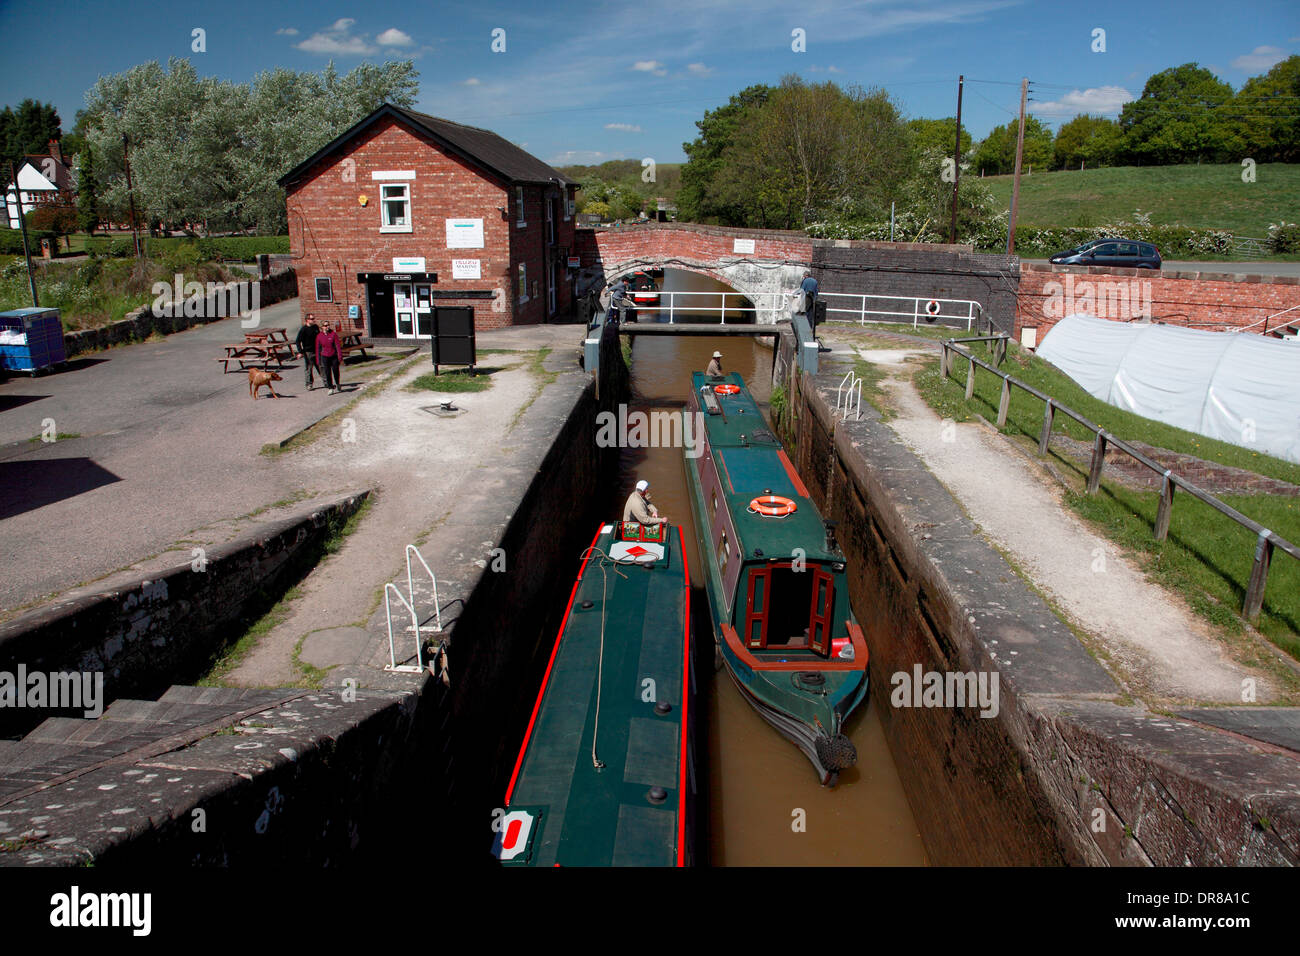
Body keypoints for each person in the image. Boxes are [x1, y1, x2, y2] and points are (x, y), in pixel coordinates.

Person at [315, 321, 343, 394]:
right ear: (322, 327)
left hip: (333, 355)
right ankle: (330, 387)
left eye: (328, 325)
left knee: (336, 370)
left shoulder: (333, 334)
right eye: (325, 325)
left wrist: (339, 356)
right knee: (327, 372)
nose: (327, 327)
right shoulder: (319, 336)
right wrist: (318, 360)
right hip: (325, 356)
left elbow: (337, 346)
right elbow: (318, 349)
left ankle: (338, 383)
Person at [295, 313, 320, 390]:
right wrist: (300, 352)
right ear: (307, 320)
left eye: (314, 318)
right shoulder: (303, 330)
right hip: (308, 352)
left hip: (317, 350)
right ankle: (309, 384)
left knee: (321, 366)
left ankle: (327, 383)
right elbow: (297, 341)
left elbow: (319, 337)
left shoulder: (316, 327)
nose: (313, 320)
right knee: (309, 368)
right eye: (312, 319)